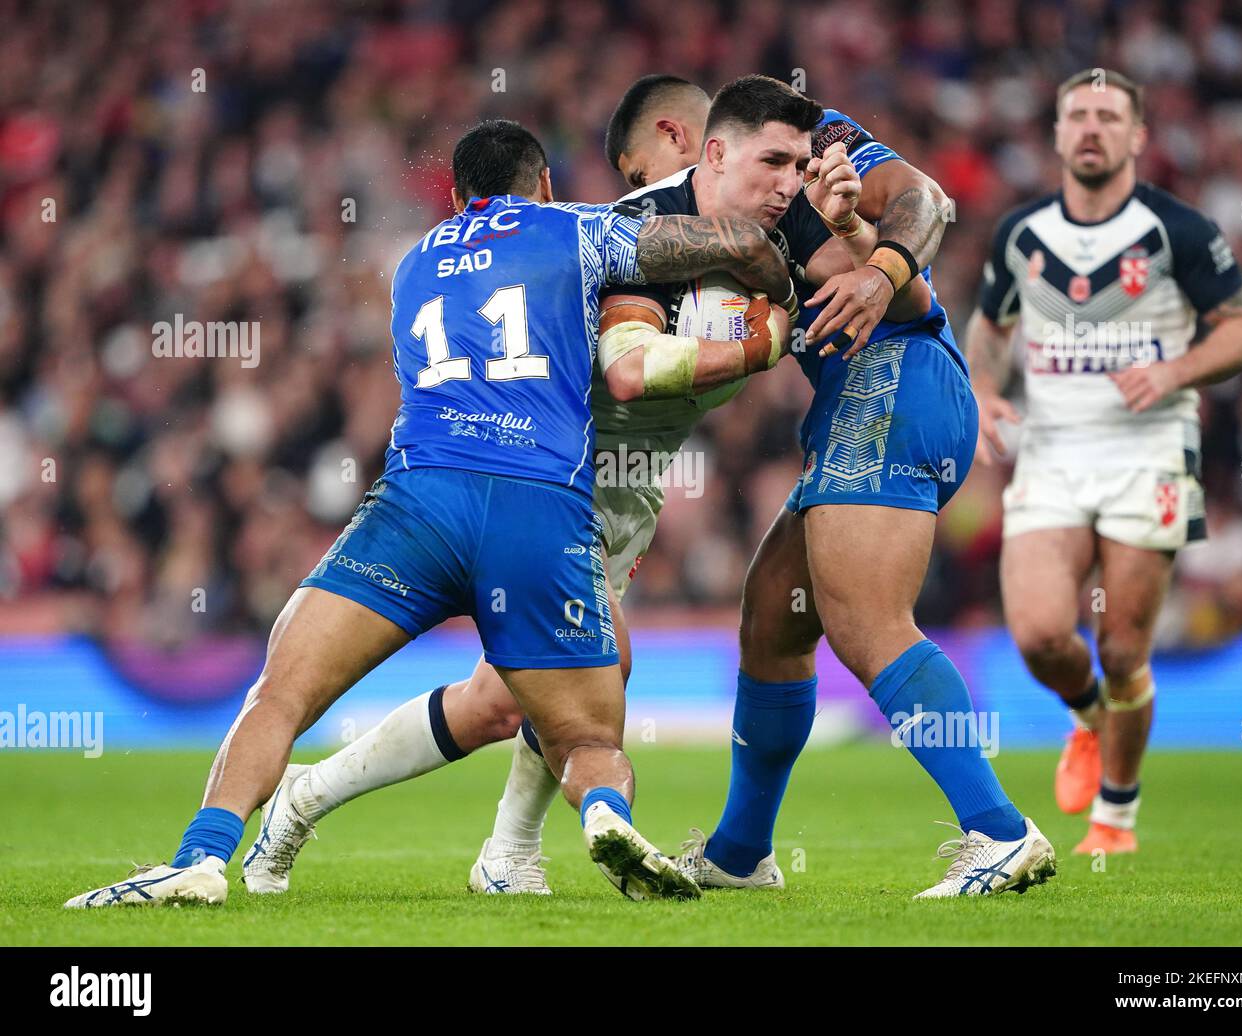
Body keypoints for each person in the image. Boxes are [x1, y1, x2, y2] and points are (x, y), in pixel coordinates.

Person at [64, 118, 796, 908]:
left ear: (455, 198)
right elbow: (731, 241)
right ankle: (606, 816)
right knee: (584, 732)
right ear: (543, 184)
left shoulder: (414, 261)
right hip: (537, 508)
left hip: (420, 502)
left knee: (281, 690)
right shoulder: (580, 228)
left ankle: (200, 857)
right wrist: (781, 298)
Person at [238, 74, 931, 899]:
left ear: (680, 139)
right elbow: (630, 370)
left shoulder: (776, 210)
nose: (634, 190)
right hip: (555, 470)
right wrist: (762, 343)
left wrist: (856, 233)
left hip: (626, 489)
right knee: (568, 682)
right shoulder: (632, 232)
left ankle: (367, 815)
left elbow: (905, 247)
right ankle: (471, 843)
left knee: (507, 699)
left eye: (635, 168)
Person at [671, 95, 1056, 899]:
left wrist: (876, 264)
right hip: (855, 401)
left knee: (867, 620)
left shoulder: (821, 145)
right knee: (773, 617)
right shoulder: (691, 220)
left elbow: (924, 201)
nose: (785, 179)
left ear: (692, 144)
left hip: (893, 377)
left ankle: (999, 830)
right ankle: (741, 852)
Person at [965, 69, 1242, 854]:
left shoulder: (1178, 229)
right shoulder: (1022, 233)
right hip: (1053, 451)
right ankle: (1088, 718)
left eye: (1109, 115)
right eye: (1078, 115)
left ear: (1137, 136)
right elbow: (991, 326)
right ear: (1059, 135)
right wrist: (984, 389)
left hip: (1150, 453)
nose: (1092, 127)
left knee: (1126, 648)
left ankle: (1117, 818)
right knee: (1038, 635)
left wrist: (1173, 371)